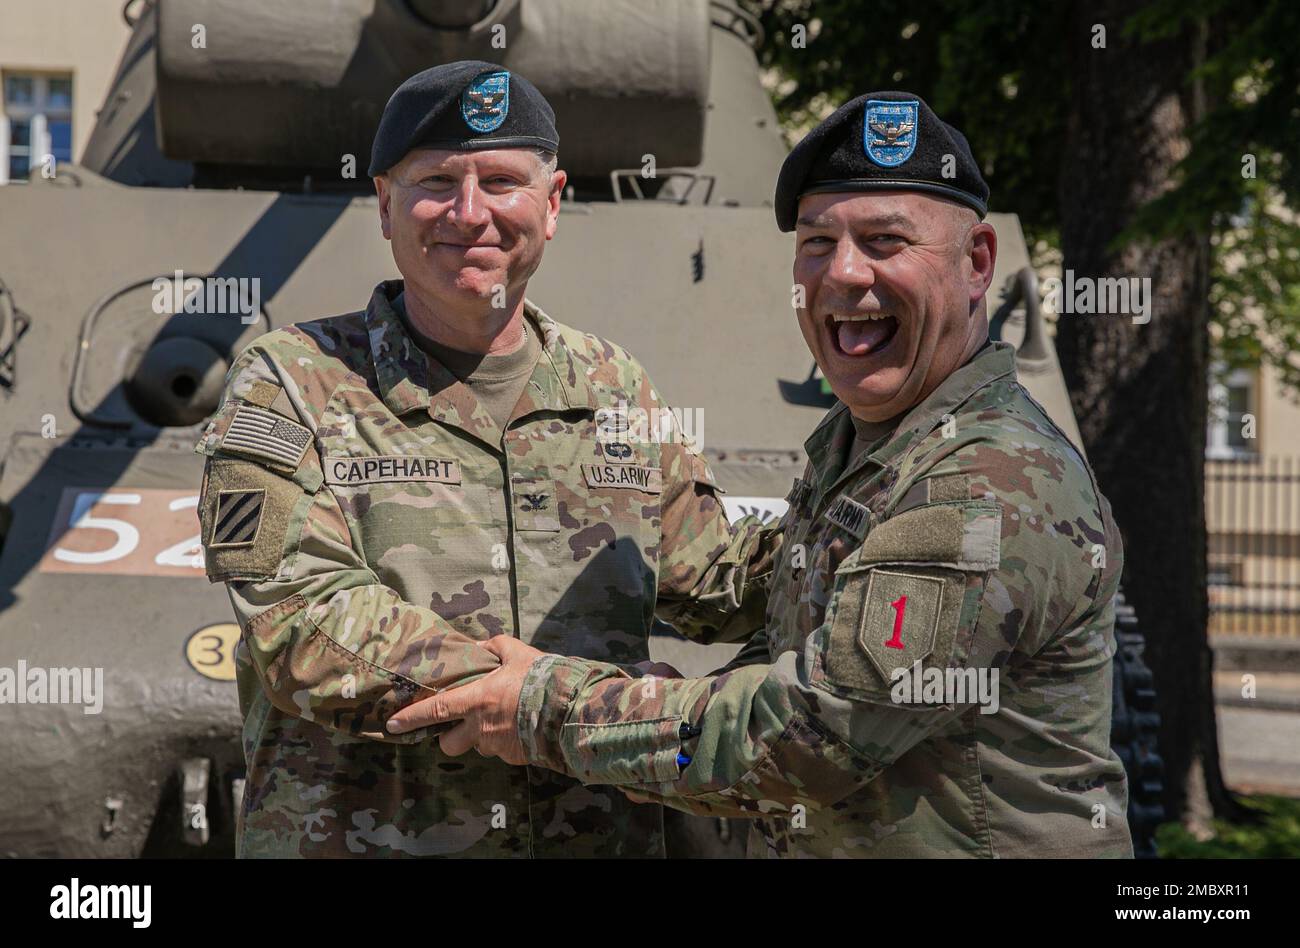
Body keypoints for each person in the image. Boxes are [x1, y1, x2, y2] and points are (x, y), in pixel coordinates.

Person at [388, 92, 1136, 858]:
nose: (844, 274)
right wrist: (663, 698)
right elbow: (797, 639)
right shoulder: (870, 450)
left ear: (977, 262)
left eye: (885, 241)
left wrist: (548, 704)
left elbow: (813, 732)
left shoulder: (986, 483)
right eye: (817, 242)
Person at [194, 61, 776, 858]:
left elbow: (713, 582)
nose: (470, 215)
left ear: (553, 203)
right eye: (437, 182)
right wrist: (575, 708)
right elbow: (304, 629)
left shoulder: (612, 385)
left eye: (502, 181)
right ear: (385, 205)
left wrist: (866, 502)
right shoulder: (292, 381)